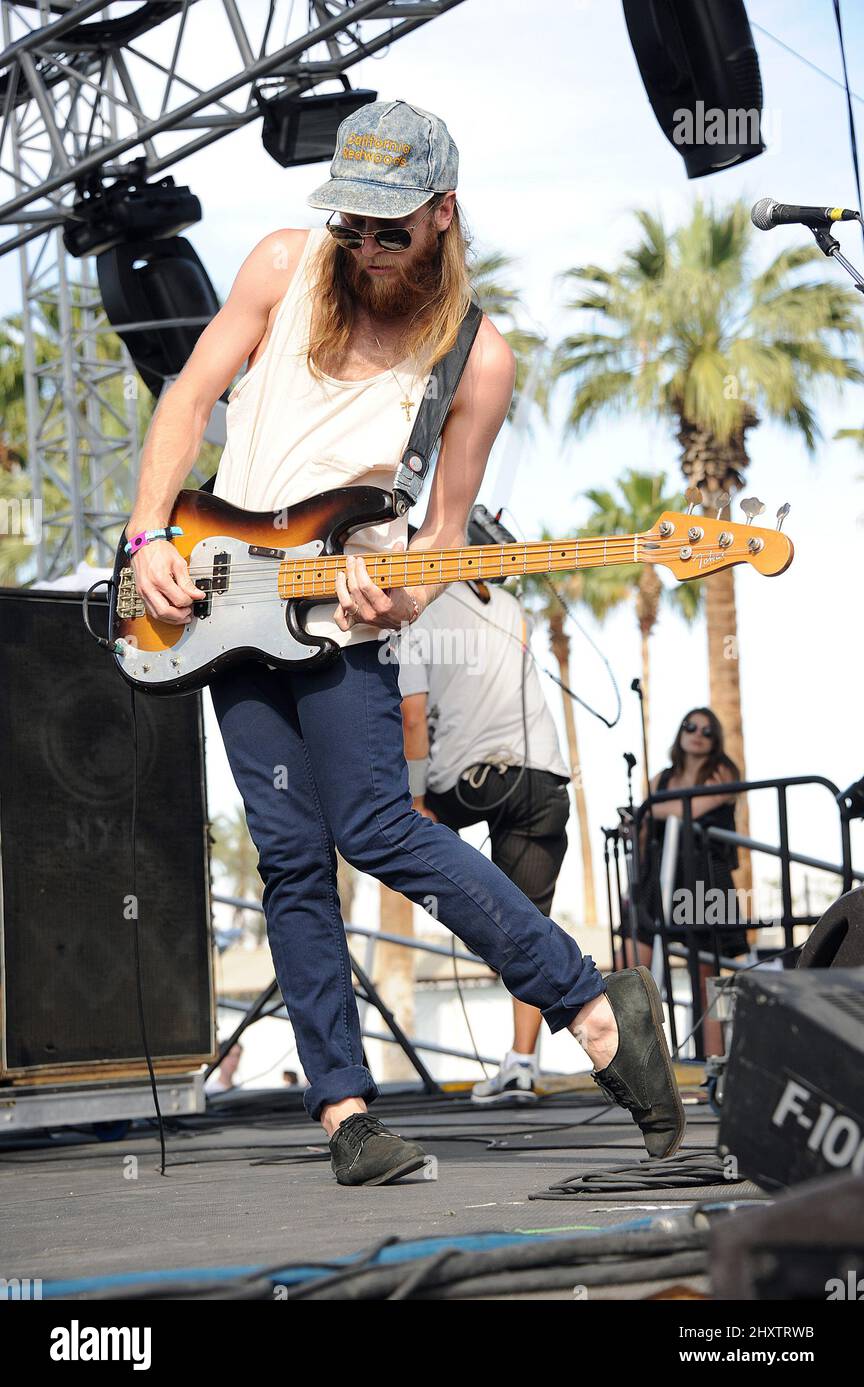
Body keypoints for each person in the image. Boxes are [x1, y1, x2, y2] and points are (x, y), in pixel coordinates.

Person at [125, 98, 684, 1185]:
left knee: (377, 826)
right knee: (289, 855)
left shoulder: (477, 360)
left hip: (346, 617)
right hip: (220, 596)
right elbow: (189, 397)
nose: (368, 251)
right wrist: (149, 530)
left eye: (391, 230)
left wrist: (405, 601)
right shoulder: (286, 267)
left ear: (443, 214)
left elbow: (440, 541)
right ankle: (345, 1112)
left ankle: (592, 1006)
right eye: (353, 227)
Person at [397, 563, 571, 1104]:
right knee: (531, 922)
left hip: (471, 780)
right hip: (543, 776)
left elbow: (412, 718)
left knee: (384, 827)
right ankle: (522, 1064)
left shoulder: (413, 610)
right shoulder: (511, 607)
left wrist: (418, 800)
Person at [625, 706, 746, 1056]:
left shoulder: (723, 772)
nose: (697, 734)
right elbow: (644, 828)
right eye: (691, 726)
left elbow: (684, 809)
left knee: (706, 978)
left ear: (716, 740)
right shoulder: (661, 779)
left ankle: (711, 1067)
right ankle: (639, 1061)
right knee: (630, 965)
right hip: (658, 883)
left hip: (705, 881)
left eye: (708, 731)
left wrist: (647, 808)